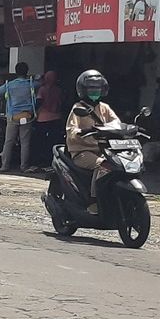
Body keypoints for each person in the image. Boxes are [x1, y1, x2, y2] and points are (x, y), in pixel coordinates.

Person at [66, 69, 120, 214]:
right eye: (91, 88)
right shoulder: (78, 108)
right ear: (83, 90)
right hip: (82, 152)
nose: (95, 91)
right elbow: (71, 130)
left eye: (97, 88)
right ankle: (94, 201)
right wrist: (81, 133)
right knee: (103, 166)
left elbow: (117, 123)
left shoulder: (105, 108)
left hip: (104, 150)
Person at [0, 61, 37, 172]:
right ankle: (24, 166)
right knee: (25, 142)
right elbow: (41, 83)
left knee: (9, 141)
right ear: (27, 72)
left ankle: (4, 166)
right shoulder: (31, 84)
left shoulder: (9, 85)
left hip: (13, 116)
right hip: (27, 116)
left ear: (16, 72)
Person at [31, 70, 65, 171]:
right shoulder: (58, 90)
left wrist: (33, 112)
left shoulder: (42, 89)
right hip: (56, 118)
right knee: (53, 141)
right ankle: (51, 162)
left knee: (41, 142)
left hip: (42, 118)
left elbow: (39, 102)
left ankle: (40, 162)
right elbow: (61, 103)